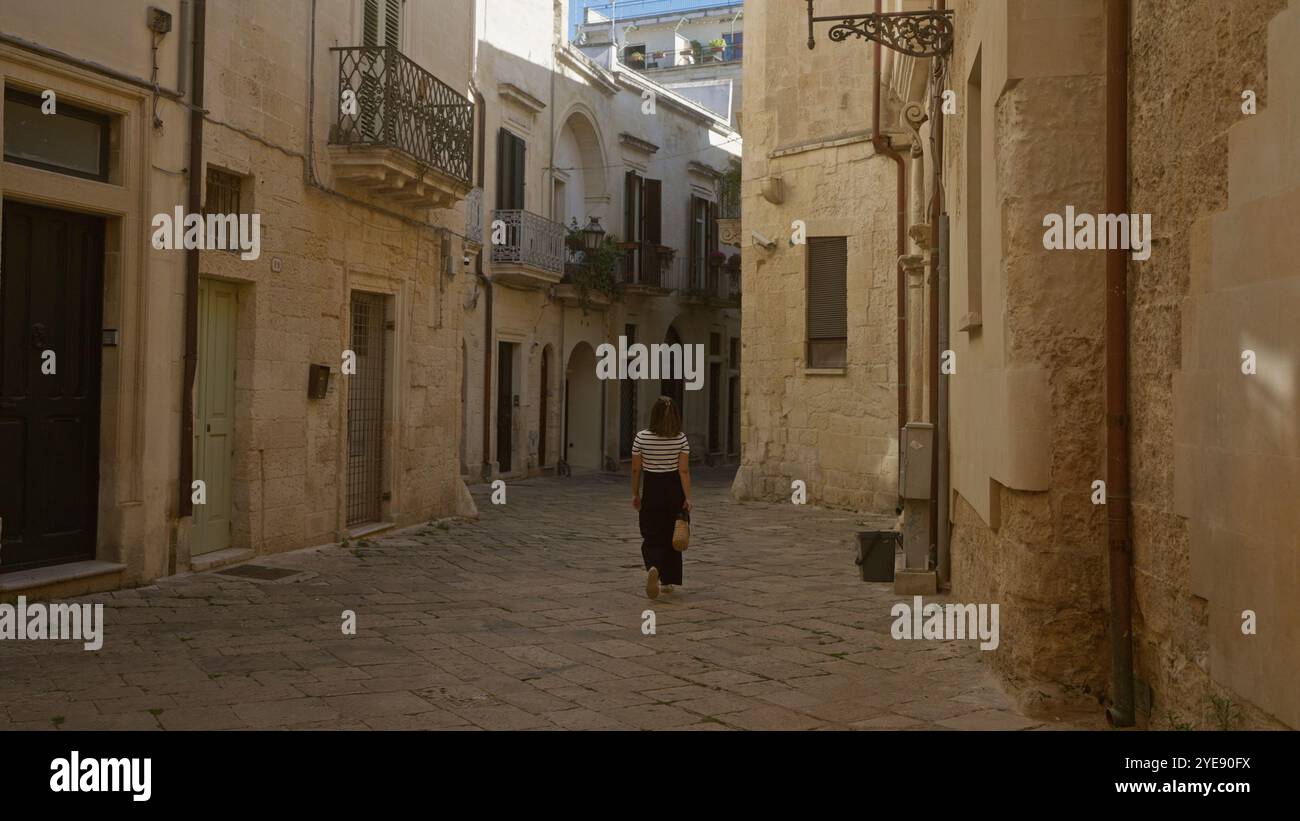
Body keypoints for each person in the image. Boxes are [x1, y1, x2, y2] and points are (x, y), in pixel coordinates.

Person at [631, 396, 692, 599]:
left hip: (652, 487)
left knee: (651, 533)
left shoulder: (641, 438)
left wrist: (635, 493)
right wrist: (688, 497)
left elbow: (635, 469)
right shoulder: (681, 438)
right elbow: (683, 471)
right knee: (672, 535)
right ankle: (668, 581)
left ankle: (653, 566)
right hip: (673, 489)